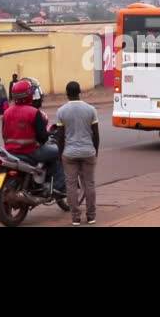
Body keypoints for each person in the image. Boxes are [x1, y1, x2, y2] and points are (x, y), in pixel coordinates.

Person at [2, 80, 66, 196]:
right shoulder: (34, 112)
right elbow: (42, 138)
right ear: (29, 95)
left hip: (10, 151)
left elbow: (4, 134)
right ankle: (58, 186)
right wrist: (49, 134)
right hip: (31, 151)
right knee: (59, 151)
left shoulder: (6, 112)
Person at [57, 81, 100, 226]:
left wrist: (60, 154)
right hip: (88, 151)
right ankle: (91, 216)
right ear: (80, 92)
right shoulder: (91, 109)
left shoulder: (61, 111)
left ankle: (75, 217)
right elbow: (96, 135)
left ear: (67, 94)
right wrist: (95, 152)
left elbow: (60, 136)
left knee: (71, 185)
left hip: (69, 153)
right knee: (89, 184)